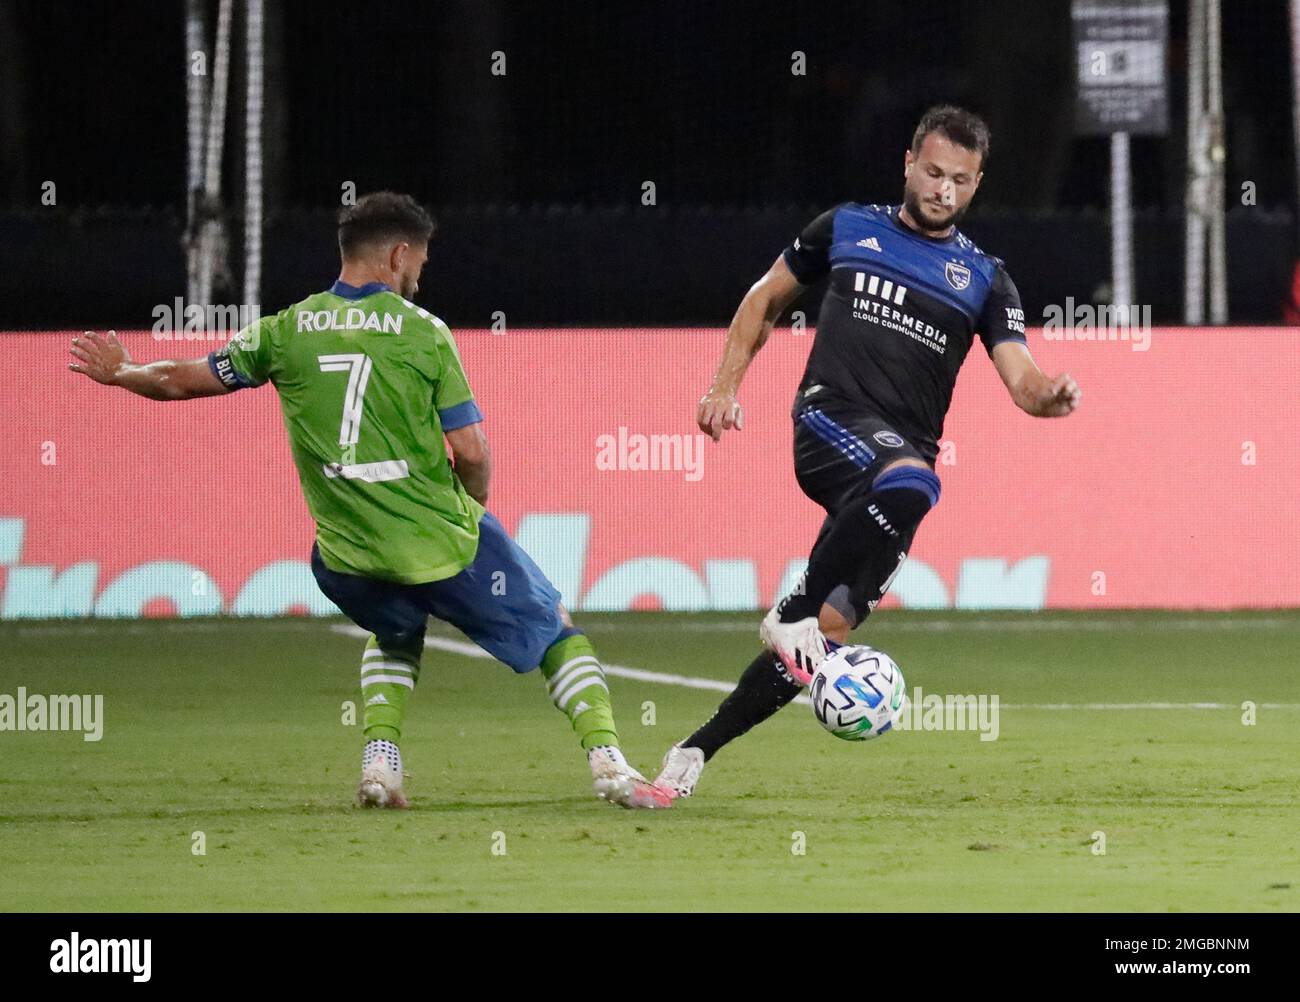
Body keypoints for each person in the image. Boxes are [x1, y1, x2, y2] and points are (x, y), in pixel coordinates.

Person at [69, 191, 670, 811]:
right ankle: (607, 760)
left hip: (347, 557)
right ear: (399, 254)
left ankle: (381, 765)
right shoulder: (424, 332)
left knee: (395, 625)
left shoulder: (284, 330)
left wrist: (123, 372)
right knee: (557, 632)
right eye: (421, 261)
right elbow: (471, 450)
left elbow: (179, 381)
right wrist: (475, 511)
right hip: (438, 539)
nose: (420, 274)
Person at [654, 106, 1081, 799]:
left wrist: (1049, 396)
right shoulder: (849, 226)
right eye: (936, 172)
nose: (945, 190)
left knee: (822, 637)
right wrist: (723, 386)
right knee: (911, 486)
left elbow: (1022, 380)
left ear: (977, 185)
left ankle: (693, 753)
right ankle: (788, 616)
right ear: (909, 162)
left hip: (896, 469)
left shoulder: (984, 277)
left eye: (962, 181)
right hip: (831, 422)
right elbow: (764, 300)